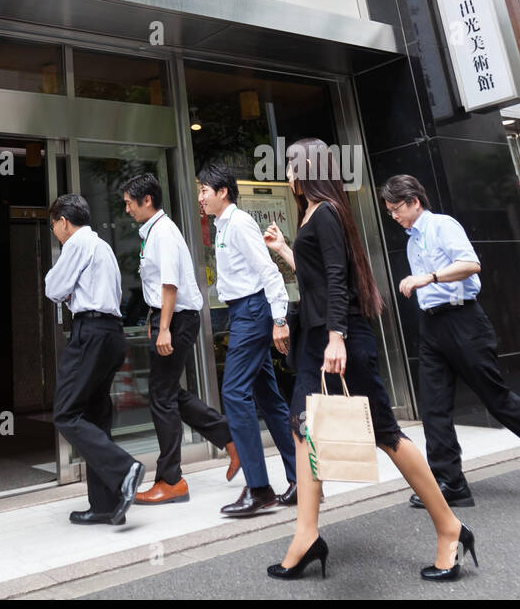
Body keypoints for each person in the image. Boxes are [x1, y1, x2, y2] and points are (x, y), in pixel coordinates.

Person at [263, 139, 475, 581]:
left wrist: (337, 337)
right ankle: (306, 535)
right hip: (318, 338)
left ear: (307, 168)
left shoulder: (325, 211)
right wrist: (286, 250)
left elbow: (339, 279)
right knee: (302, 426)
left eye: (290, 165)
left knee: (385, 433)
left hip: (339, 337)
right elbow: (319, 276)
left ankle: (449, 526)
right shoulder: (313, 212)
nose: (286, 173)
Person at [380, 174, 520, 506]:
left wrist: (428, 277)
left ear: (414, 201)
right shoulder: (412, 238)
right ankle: (450, 483)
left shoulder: (442, 226)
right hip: (432, 325)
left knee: (498, 400)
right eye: (388, 211)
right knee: (433, 407)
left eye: (396, 208)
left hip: (464, 321)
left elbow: (471, 264)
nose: (393, 216)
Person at [121, 173, 239, 506]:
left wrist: (164, 328)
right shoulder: (154, 232)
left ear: (147, 201)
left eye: (130, 202)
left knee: (161, 397)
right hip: (168, 317)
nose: (127, 209)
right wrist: (155, 321)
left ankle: (171, 480)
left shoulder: (164, 233)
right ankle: (229, 437)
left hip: (176, 318)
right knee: (169, 391)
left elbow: (169, 285)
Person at [197, 164, 300, 516]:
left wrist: (280, 319)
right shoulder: (223, 224)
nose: (201, 197)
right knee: (268, 398)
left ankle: (259, 489)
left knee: (233, 392)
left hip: (253, 312)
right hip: (243, 311)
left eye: (204, 191)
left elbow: (268, 271)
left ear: (222, 191)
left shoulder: (239, 223)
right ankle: (299, 477)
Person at [46, 194, 144, 525]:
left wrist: (68, 290)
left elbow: (52, 287)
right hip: (112, 334)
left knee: (66, 413)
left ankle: (125, 468)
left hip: (91, 332)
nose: (55, 232)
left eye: (53, 226)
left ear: (62, 220)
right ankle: (104, 504)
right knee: (96, 415)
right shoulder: (101, 245)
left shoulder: (76, 243)